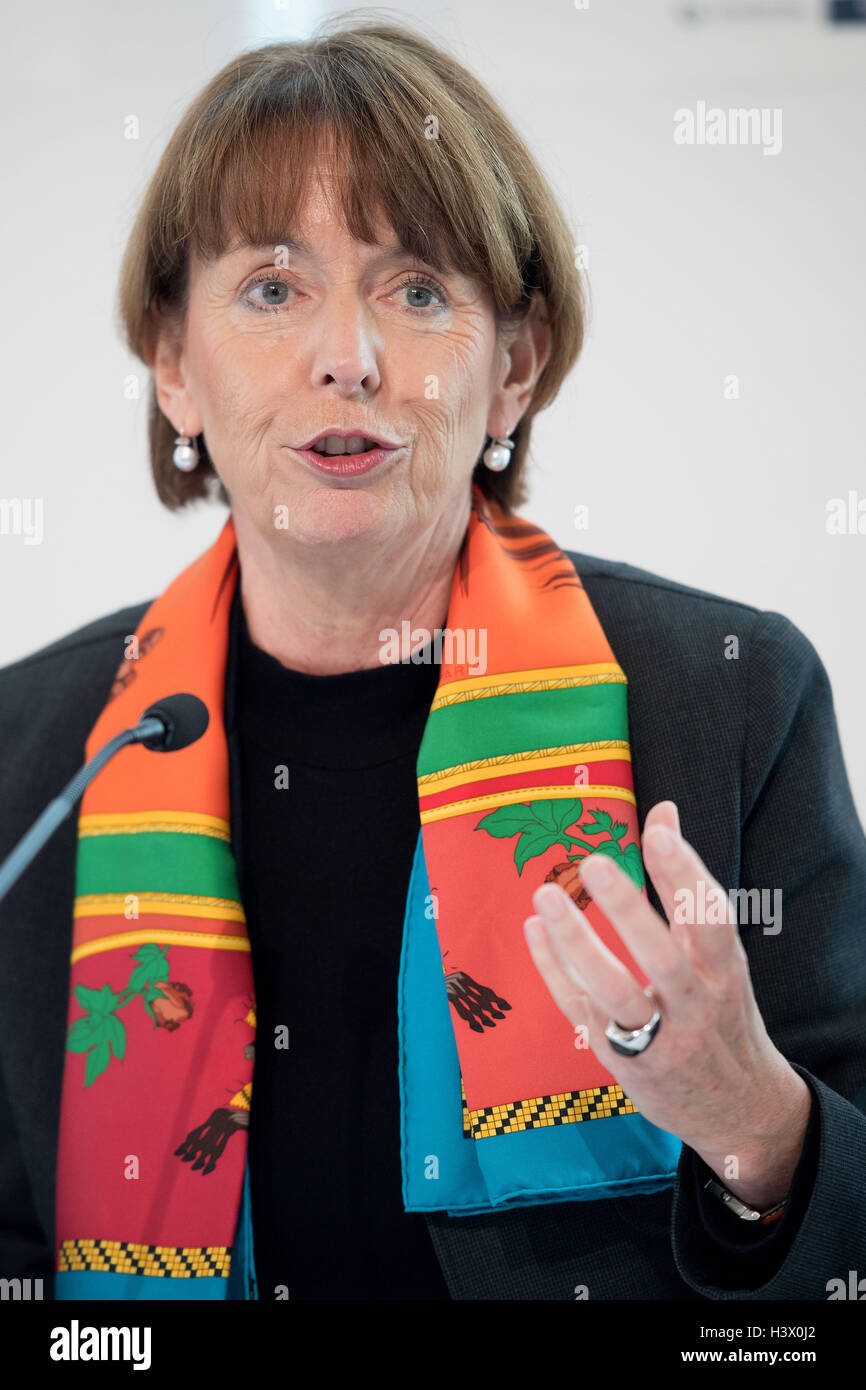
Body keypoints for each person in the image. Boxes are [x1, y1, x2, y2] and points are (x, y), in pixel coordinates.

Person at [0, 18, 864, 1302]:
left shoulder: (729, 696)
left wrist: (755, 1125)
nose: (345, 356)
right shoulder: (41, 747)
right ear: (173, 365)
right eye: (273, 289)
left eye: (416, 292)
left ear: (510, 367)